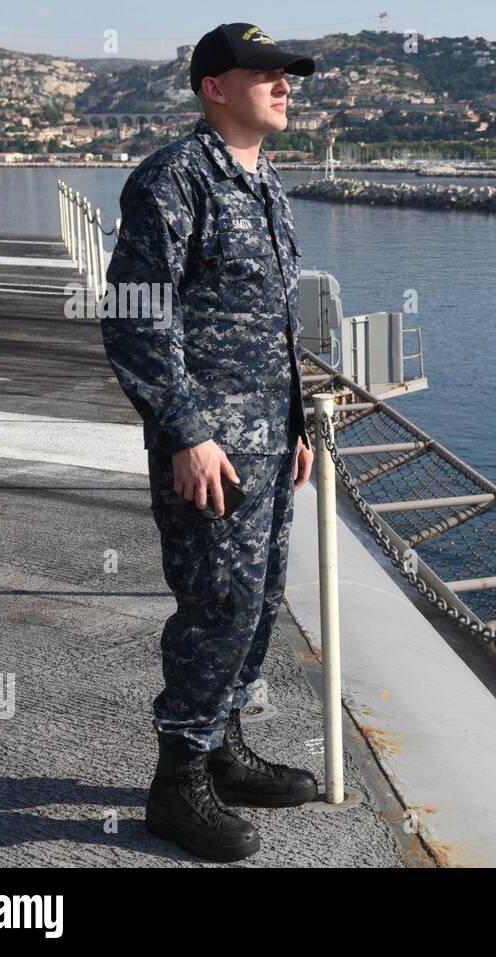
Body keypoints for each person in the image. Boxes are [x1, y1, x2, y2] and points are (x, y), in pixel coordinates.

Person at [99, 23, 318, 862]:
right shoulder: (173, 180)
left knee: (259, 606)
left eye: (287, 73)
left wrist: (295, 424)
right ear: (213, 87)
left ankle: (222, 749)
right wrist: (186, 434)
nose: (283, 83)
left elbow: (273, 327)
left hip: (266, 447)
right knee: (215, 610)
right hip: (210, 454)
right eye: (264, 72)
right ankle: (176, 782)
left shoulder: (266, 185)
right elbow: (137, 321)